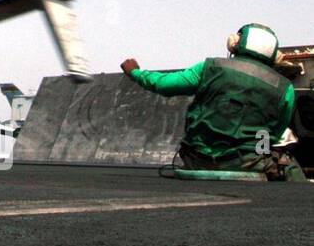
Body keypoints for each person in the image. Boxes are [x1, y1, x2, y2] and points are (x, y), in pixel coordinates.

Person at [121, 22, 296, 178]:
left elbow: (164, 84)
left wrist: (135, 72)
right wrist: (262, 151)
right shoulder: (285, 88)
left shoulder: (209, 68)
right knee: (289, 168)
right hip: (251, 163)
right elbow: (275, 130)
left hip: (197, 159)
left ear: (235, 43)